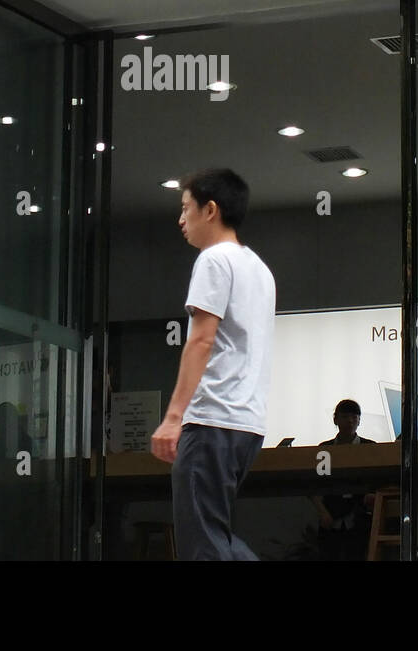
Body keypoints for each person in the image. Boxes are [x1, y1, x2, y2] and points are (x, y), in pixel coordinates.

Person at [150, 168, 275, 561]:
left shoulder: (214, 261)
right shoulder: (259, 269)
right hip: (246, 426)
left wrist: (173, 417)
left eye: (186, 208)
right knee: (215, 536)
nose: (181, 219)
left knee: (202, 543)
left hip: (212, 420)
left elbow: (202, 340)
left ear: (211, 210)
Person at [312, 399, 376, 560]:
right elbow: (318, 484)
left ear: (359, 420)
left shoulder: (370, 447)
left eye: (354, 417)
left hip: (359, 517)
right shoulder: (325, 449)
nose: (350, 421)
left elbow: (377, 481)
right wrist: (322, 511)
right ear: (335, 419)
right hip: (330, 517)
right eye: (345, 416)